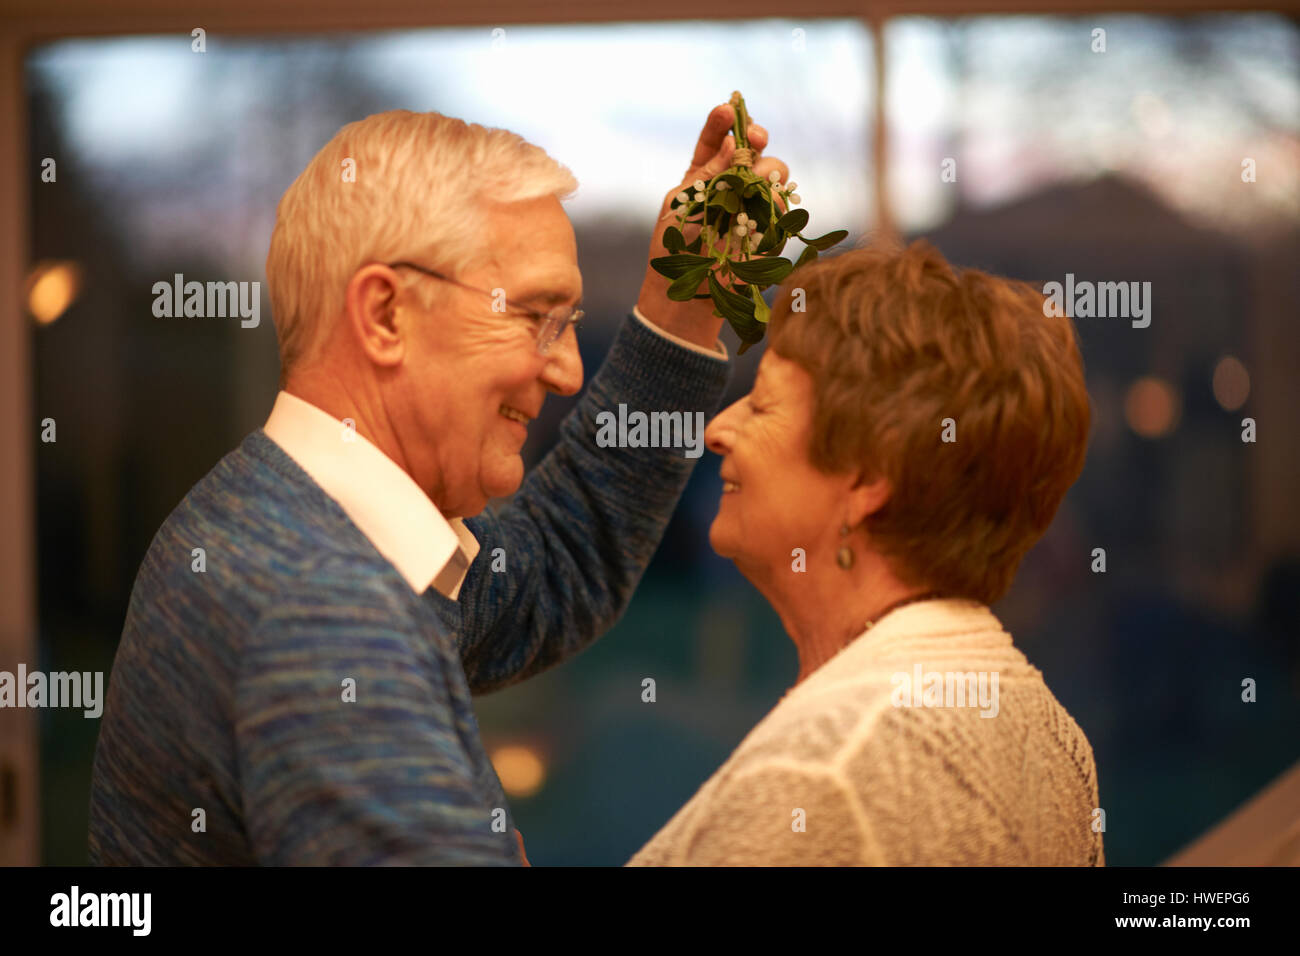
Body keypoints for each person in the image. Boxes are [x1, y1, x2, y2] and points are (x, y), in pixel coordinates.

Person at [88, 103, 788, 865]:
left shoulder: (283, 516)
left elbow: (559, 556)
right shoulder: (324, 614)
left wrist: (682, 312)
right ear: (385, 314)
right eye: (535, 318)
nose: (568, 370)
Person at [628, 239, 1103, 866]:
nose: (718, 430)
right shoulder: (1056, 740)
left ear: (865, 475)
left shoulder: (821, 768)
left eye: (763, 404)